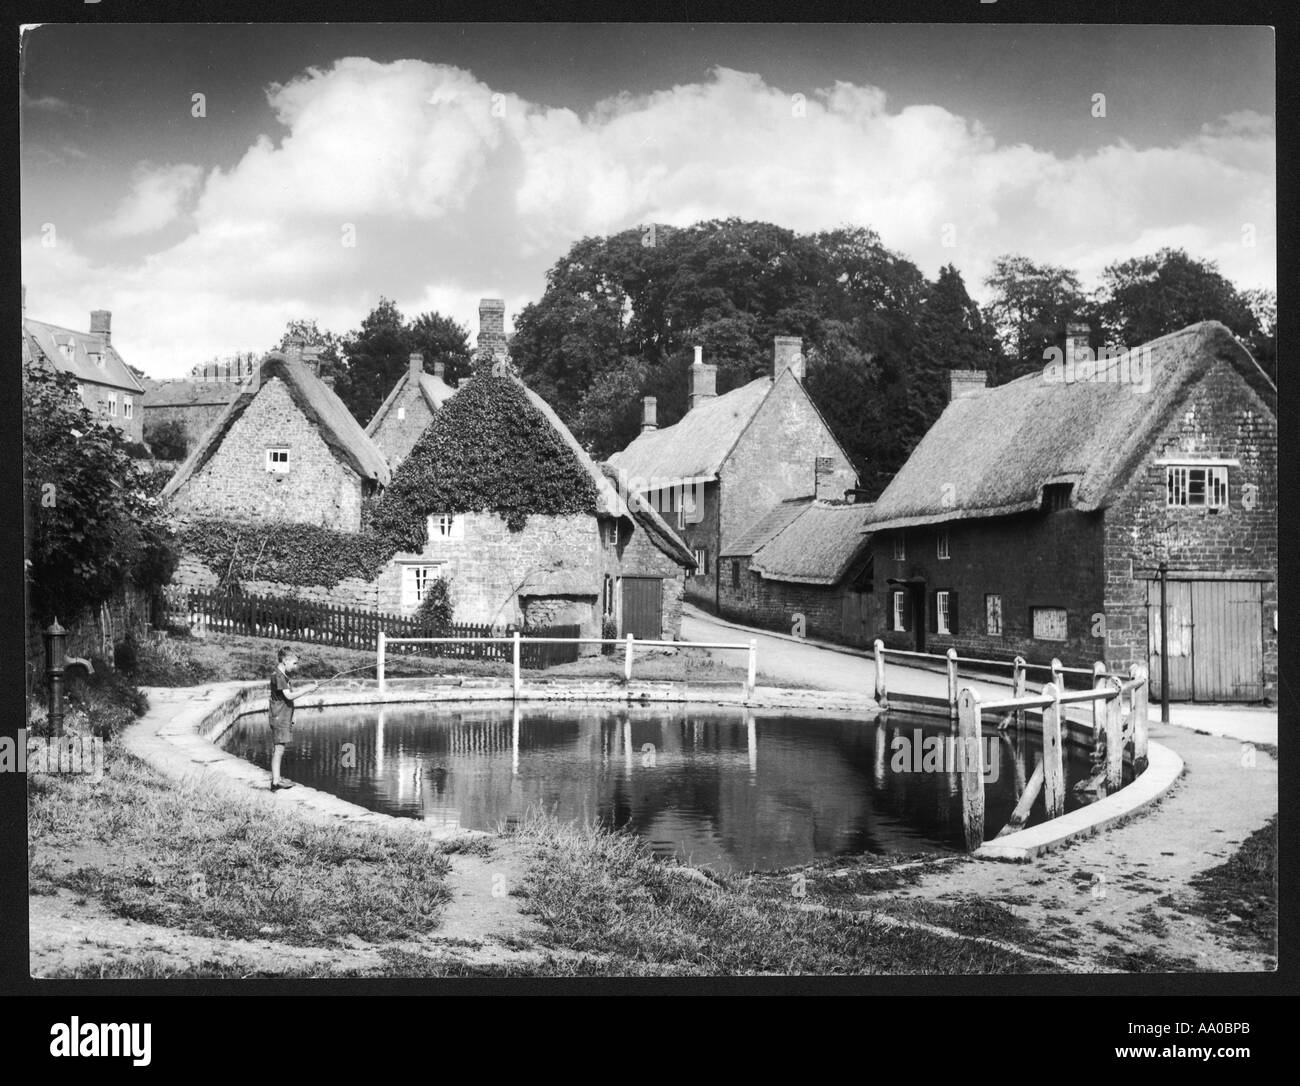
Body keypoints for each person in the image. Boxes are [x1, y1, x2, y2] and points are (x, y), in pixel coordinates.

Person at [268, 646, 319, 790]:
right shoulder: (278, 676)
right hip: (279, 717)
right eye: (294, 663)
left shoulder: (282, 675)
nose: (296, 666)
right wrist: (307, 690)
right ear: (285, 660)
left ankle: (276, 779)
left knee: (280, 748)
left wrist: (309, 687)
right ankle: (275, 782)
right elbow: (289, 696)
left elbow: (289, 693)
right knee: (278, 749)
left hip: (283, 716)